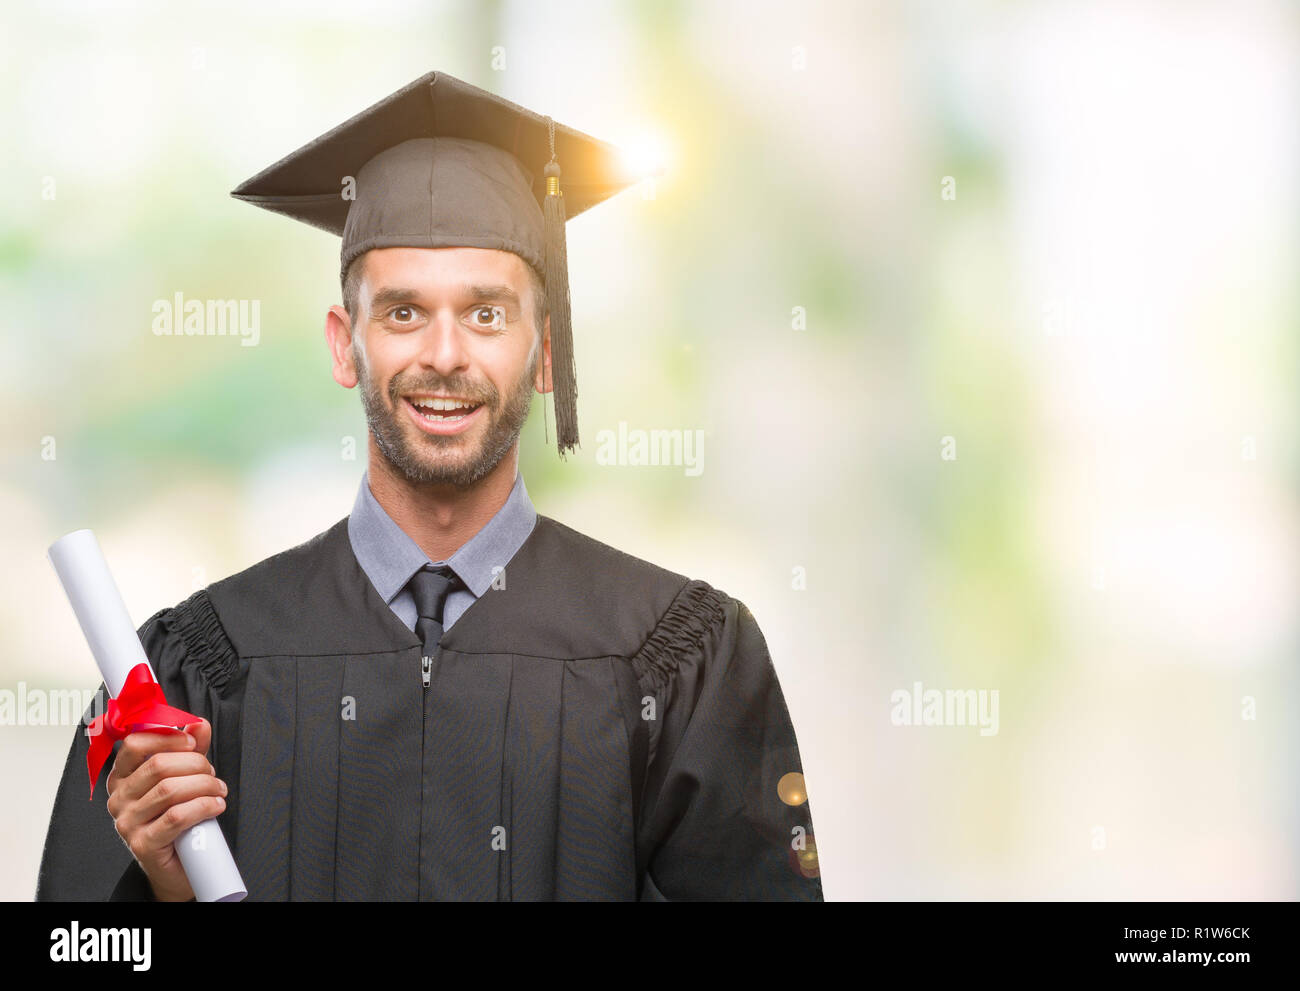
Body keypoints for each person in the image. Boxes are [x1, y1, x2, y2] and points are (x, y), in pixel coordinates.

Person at [35, 70, 823, 901]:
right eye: (403, 312)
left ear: (546, 351)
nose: (444, 354)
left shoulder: (681, 660)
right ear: (346, 346)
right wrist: (165, 891)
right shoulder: (199, 673)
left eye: (486, 314)